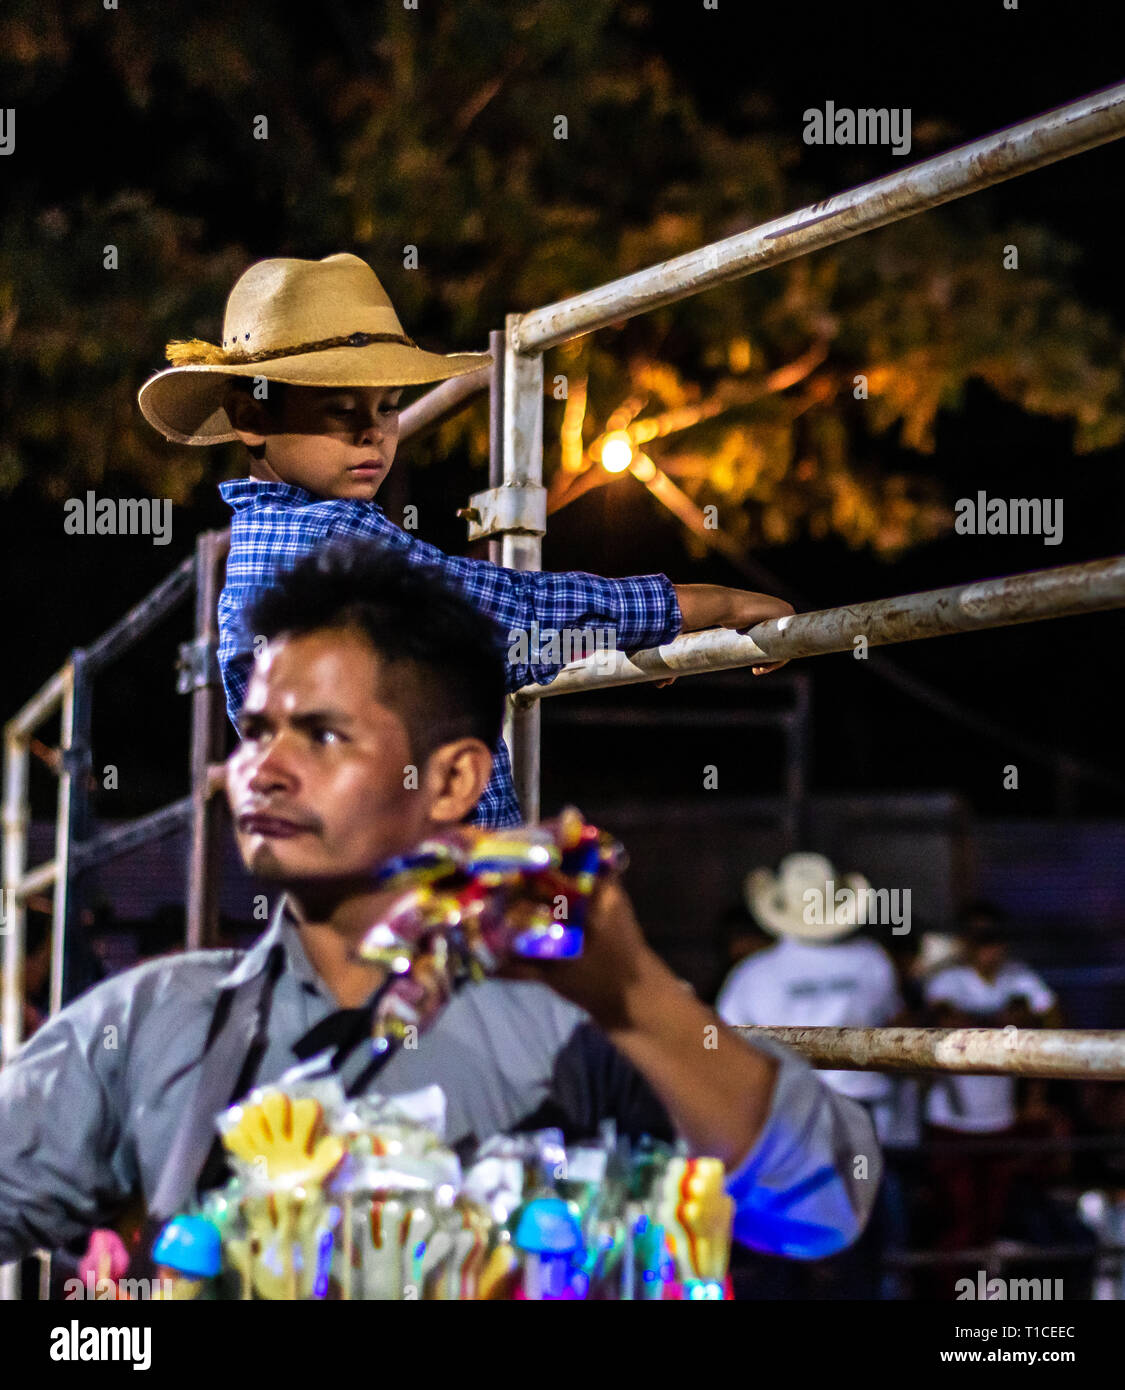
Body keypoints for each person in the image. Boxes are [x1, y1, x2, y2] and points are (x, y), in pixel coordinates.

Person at [0, 545, 878, 1273]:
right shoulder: (149, 1022)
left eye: (323, 734)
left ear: (454, 779)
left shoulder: (571, 1023)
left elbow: (834, 1198)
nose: (261, 767)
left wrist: (638, 1000)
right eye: (259, 730)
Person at [136, 252, 793, 827]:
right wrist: (705, 609)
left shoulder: (256, 542)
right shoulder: (336, 537)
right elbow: (516, 615)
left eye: (387, 406)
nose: (375, 434)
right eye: (341, 410)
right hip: (438, 897)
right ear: (251, 417)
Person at [715, 852, 905, 1297]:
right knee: (855, 1247)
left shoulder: (752, 976)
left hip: (783, 1121)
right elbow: (893, 1023)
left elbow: (724, 1047)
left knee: (778, 1243)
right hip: (857, 1119)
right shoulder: (872, 963)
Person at [922, 902, 1059, 1275]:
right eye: (979, 939)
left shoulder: (1019, 977)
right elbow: (948, 1021)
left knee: (993, 1220)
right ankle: (947, 1295)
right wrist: (1010, 1020)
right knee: (955, 1218)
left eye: (995, 939)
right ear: (965, 943)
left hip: (999, 1116)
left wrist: (1035, 1096)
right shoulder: (946, 980)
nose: (989, 948)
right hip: (952, 1116)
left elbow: (1053, 1020)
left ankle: (983, 1297)